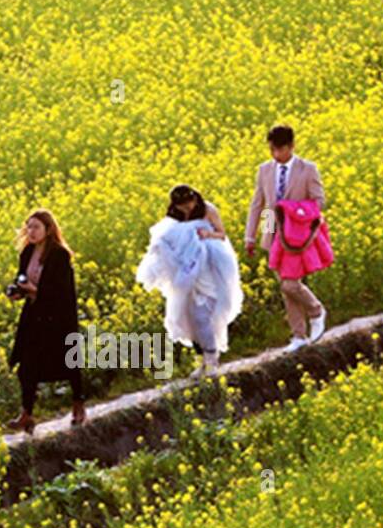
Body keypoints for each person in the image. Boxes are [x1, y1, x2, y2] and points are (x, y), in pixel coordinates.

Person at [136, 185, 243, 375]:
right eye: (181, 206)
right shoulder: (174, 216)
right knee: (188, 315)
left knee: (202, 315)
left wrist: (207, 235)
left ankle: (212, 358)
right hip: (186, 269)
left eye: (189, 204)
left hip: (208, 266)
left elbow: (222, 234)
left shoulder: (208, 210)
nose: (187, 209)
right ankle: (202, 360)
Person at [244, 125, 328, 351]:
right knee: (285, 285)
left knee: (290, 283)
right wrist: (250, 236)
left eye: (279, 150)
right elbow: (258, 204)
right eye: (271, 150)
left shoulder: (308, 169)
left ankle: (316, 310)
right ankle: (298, 336)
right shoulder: (264, 170)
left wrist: (291, 209)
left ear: (291, 146)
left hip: (296, 232)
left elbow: (319, 201)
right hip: (271, 227)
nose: (275, 155)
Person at [5, 208, 85, 434]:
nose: (31, 231)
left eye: (36, 227)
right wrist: (16, 292)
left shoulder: (59, 254)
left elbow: (62, 290)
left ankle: (78, 404)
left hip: (58, 316)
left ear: (48, 229)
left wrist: (36, 290)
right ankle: (26, 414)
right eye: (28, 227)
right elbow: (21, 278)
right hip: (34, 315)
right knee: (26, 364)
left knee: (69, 362)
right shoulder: (27, 252)